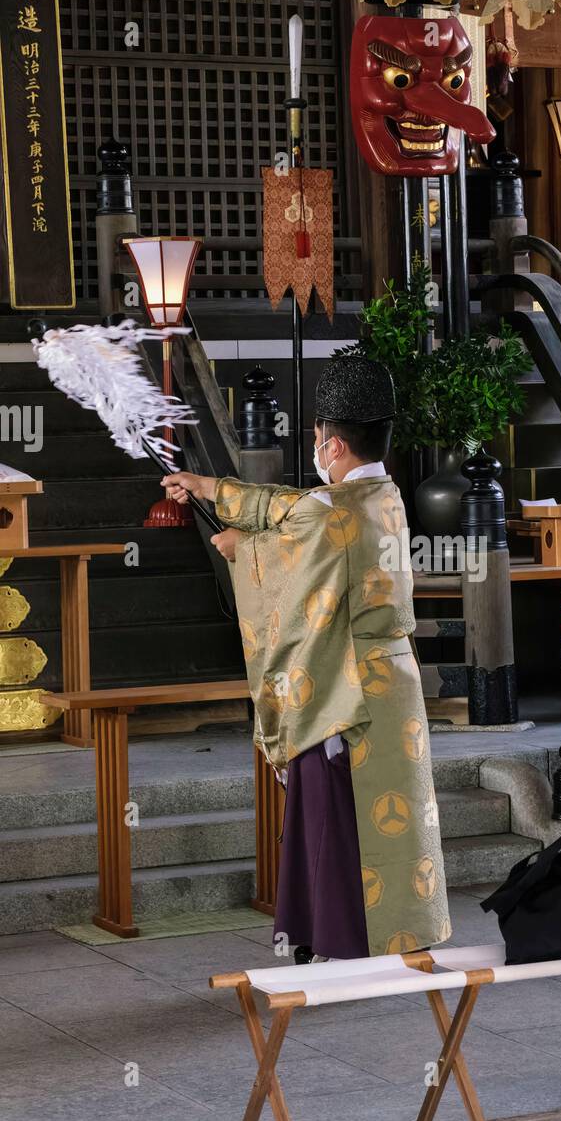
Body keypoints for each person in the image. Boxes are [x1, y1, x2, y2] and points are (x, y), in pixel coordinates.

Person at [162, 357, 451, 962]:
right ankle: (382, 932)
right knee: (375, 828)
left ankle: (335, 943)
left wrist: (243, 552)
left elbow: (288, 563)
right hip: (391, 681)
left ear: (334, 442)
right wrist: (210, 488)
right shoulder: (382, 494)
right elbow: (294, 510)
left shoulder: (331, 511)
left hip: (343, 692)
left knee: (331, 822)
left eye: (318, 438)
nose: (315, 448)